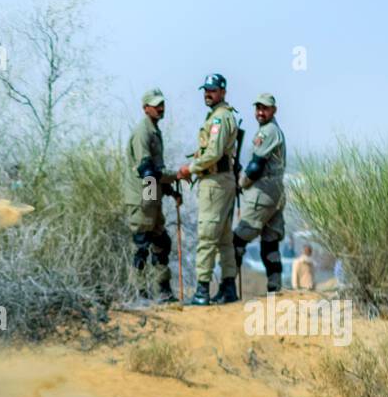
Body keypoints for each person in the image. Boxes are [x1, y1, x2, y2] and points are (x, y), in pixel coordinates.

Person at [176, 73, 241, 305]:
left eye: (212, 90)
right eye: (206, 90)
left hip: (215, 182)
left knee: (207, 235)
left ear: (222, 92)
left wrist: (190, 168)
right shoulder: (218, 116)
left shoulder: (219, 119)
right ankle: (228, 288)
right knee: (223, 238)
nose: (208, 93)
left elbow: (213, 153)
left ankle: (202, 291)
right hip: (220, 181)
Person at [122, 88, 181, 302]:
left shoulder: (154, 130)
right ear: (145, 108)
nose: (160, 108)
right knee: (141, 244)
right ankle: (139, 293)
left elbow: (155, 169)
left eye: (162, 104)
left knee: (161, 242)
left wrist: (170, 191)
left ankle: (163, 291)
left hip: (152, 193)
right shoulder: (143, 132)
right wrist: (175, 176)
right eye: (156, 105)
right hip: (142, 195)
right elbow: (146, 169)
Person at [232, 94, 288, 292]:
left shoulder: (269, 131)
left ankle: (228, 287)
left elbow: (256, 167)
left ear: (274, 110)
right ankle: (275, 287)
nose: (260, 112)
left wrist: (241, 182)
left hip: (263, 192)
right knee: (270, 243)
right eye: (258, 108)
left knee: (238, 239)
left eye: (265, 109)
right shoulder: (272, 130)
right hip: (275, 192)